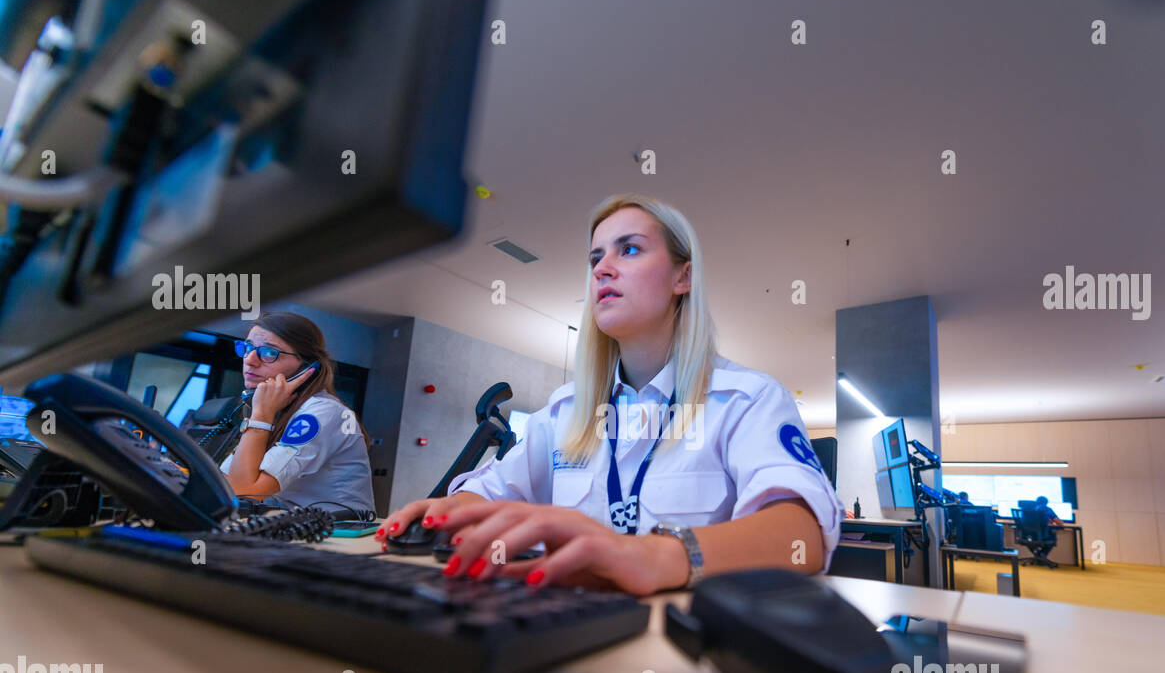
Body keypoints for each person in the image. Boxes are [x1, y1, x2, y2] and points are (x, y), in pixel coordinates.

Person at [379, 193, 843, 594]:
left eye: (630, 249)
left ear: (683, 278)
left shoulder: (746, 400)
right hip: (565, 624)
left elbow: (800, 534)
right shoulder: (566, 412)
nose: (603, 268)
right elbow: (494, 489)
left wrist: (655, 556)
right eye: (595, 257)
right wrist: (448, 515)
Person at [220, 311, 375, 516]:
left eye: (268, 352)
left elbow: (243, 493)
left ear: (307, 367)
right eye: (247, 348)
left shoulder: (324, 413)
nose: (250, 360)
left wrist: (261, 416)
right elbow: (228, 481)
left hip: (337, 534)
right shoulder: (275, 408)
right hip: (287, 525)